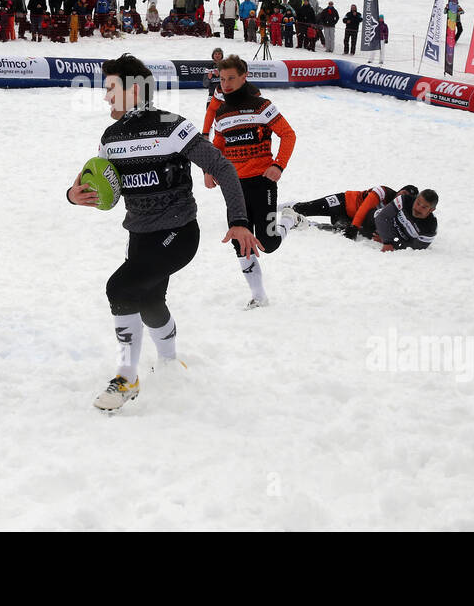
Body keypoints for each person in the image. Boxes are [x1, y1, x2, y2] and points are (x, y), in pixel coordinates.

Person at [66, 54, 258, 411]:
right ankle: (170, 363)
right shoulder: (110, 138)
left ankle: (127, 375)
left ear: (134, 88)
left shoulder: (173, 126)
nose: (105, 96)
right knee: (150, 302)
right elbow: (106, 190)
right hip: (139, 236)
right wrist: (75, 196)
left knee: (119, 288)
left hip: (179, 234)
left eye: (110, 88)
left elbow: (223, 168)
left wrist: (239, 220)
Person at [205, 55, 297, 308]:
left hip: (262, 182)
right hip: (234, 186)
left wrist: (278, 165)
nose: (226, 84)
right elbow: (218, 144)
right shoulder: (221, 113)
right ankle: (259, 296)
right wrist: (209, 170)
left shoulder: (262, 105)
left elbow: (288, 135)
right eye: (222, 79)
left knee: (267, 244)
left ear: (244, 77)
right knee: (240, 241)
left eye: (231, 78)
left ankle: (290, 219)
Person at [282, 184, 418, 237]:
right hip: (344, 201)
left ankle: (308, 224)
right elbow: (365, 207)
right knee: (305, 208)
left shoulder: (399, 211)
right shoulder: (383, 191)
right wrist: (355, 226)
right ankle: (280, 207)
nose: (402, 197)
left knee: (339, 230)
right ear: (399, 190)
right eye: (403, 193)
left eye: (406, 197)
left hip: (349, 219)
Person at [373, 189, 439, 251]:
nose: (418, 208)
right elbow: (382, 217)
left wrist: (390, 242)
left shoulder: (430, 229)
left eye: (424, 207)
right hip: (378, 224)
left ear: (431, 210)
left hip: (385, 234)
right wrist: (387, 239)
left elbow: (414, 248)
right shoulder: (404, 200)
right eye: (418, 203)